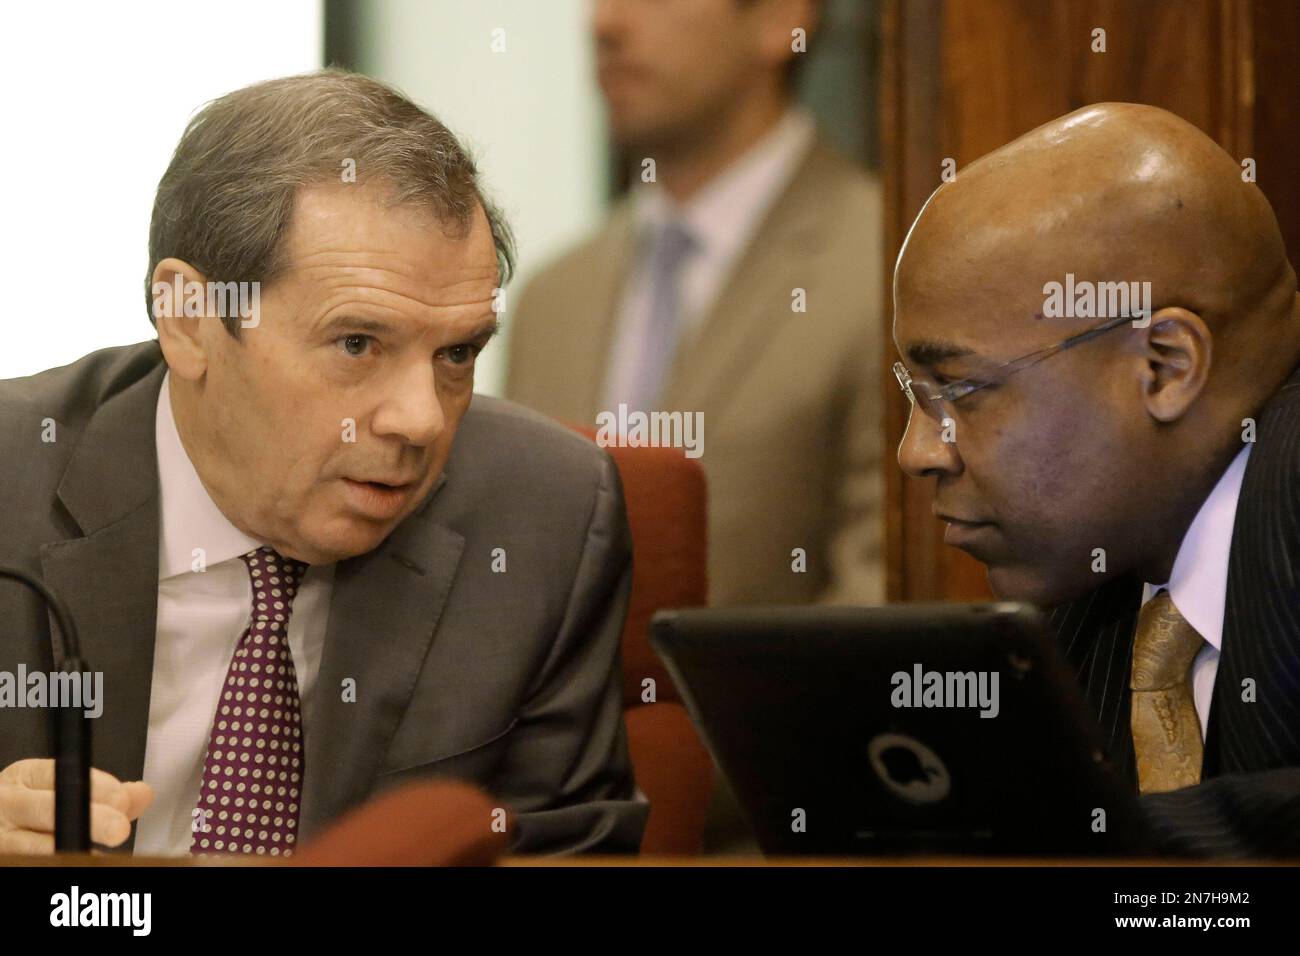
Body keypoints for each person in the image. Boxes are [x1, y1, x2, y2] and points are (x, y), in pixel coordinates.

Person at [0, 70, 647, 857]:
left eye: (457, 353)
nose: (420, 419)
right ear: (189, 321)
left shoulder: (545, 513)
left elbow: (565, 856)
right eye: (356, 344)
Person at [893, 102, 1300, 856]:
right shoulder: (1087, 575)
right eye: (912, 396)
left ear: (1165, 366)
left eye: (959, 390)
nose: (917, 452)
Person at [506, 0, 885, 608]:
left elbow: (882, 602)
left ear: (780, 19)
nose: (604, 25)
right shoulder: (551, 299)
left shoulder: (885, 265)